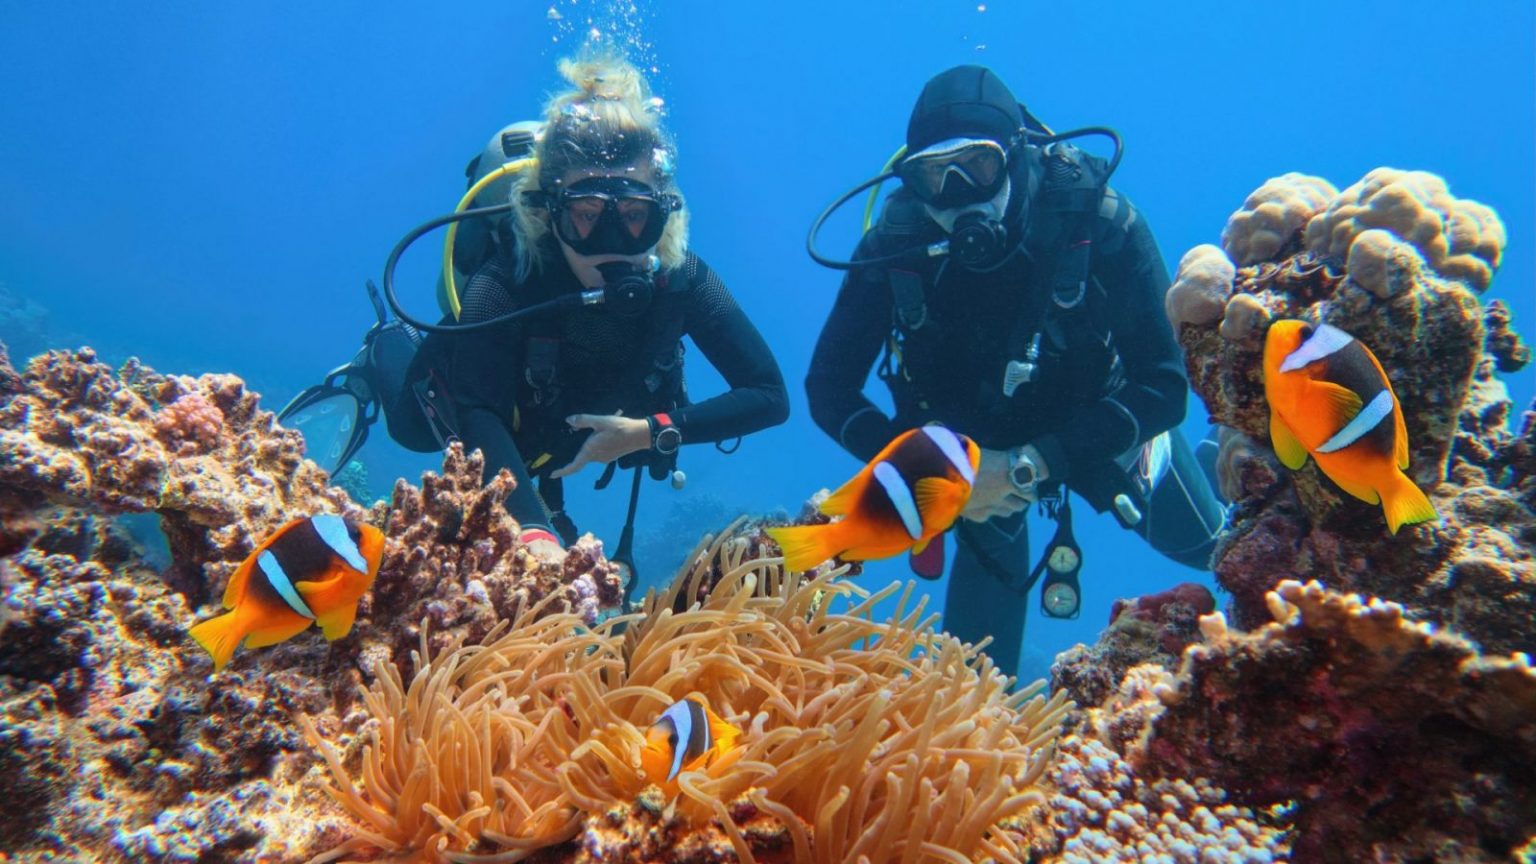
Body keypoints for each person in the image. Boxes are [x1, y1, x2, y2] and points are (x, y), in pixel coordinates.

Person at [286, 55, 788, 589]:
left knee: (547, 456)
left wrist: (649, 432)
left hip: (580, 421)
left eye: (635, 217)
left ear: (662, 213)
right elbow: (478, 409)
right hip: (503, 400)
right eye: (587, 216)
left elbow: (769, 395)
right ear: (551, 212)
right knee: (412, 431)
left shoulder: (682, 276)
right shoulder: (507, 279)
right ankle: (385, 348)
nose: (612, 244)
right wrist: (532, 530)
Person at [804, 65, 1224, 679]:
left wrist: (1032, 463)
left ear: (1015, 154)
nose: (956, 194)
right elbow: (827, 389)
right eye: (932, 174)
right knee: (976, 680)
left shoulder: (1096, 220)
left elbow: (1163, 387)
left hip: (1096, 428)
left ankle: (1222, 456)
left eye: (977, 165)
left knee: (1209, 548)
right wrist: (923, 469)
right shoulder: (894, 247)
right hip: (972, 475)